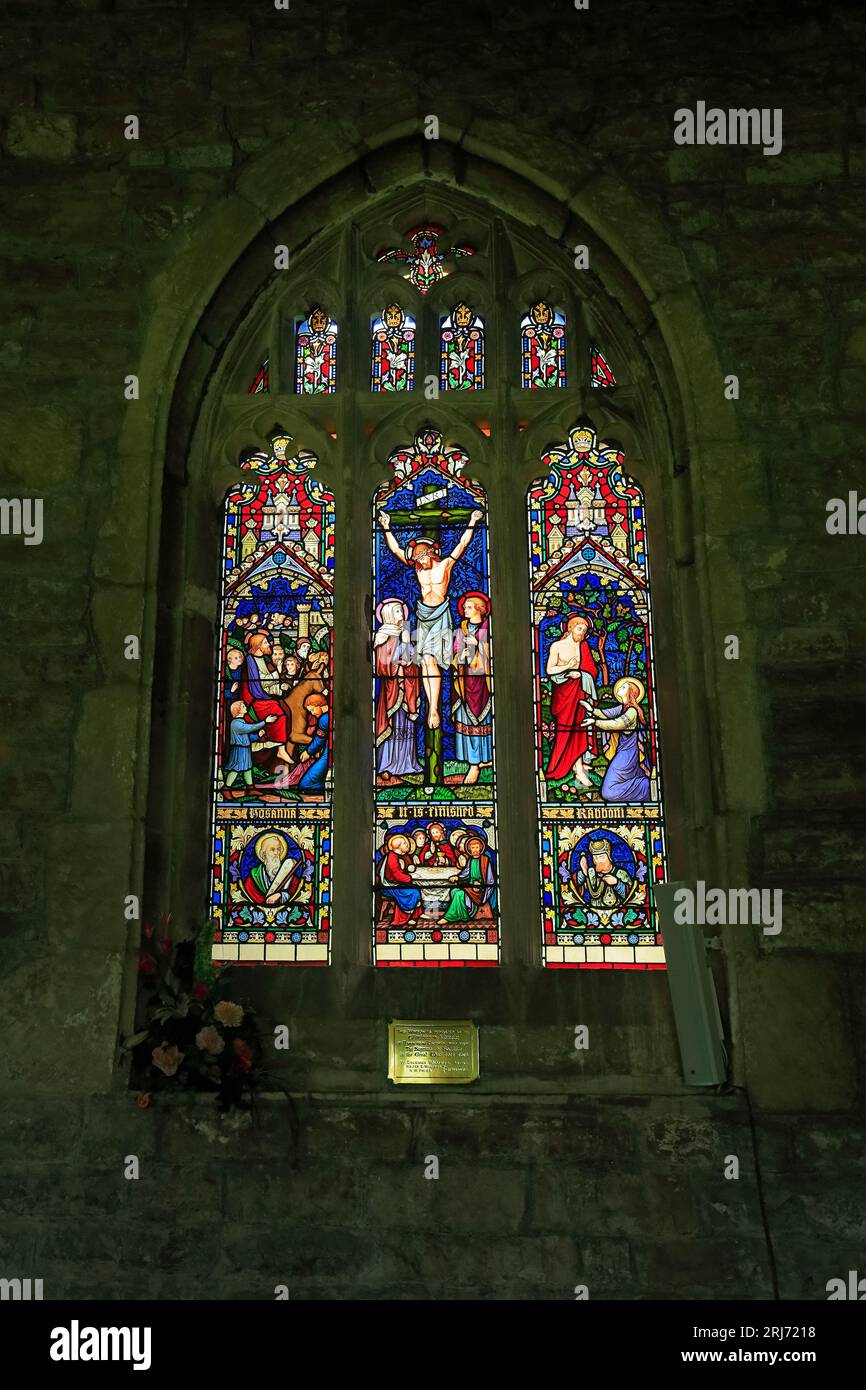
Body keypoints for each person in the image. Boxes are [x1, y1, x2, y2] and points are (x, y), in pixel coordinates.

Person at [378, 506, 483, 729]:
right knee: (426, 660)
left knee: (438, 660)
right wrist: (386, 526)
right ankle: (433, 708)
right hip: (423, 614)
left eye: (420, 556)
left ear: (430, 553)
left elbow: (462, 544)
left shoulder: (445, 565)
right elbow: (396, 550)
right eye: (415, 558)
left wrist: (473, 521)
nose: (418, 561)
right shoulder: (417, 569)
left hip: (441, 614)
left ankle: (436, 708)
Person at [544, 613, 598, 786]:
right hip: (563, 694)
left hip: (580, 691)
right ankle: (566, 765)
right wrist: (567, 667)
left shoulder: (584, 647)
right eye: (579, 628)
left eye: (584, 630)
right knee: (566, 730)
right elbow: (550, 670)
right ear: (570, 627)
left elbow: (592, 671)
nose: (582, 633)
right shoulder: (557, 646)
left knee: (580, 728)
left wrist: (580, 674)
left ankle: (579, 767)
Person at [374, 598, 421, 783]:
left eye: (402, 612)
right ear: (388, 615)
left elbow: (413, 661)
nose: (401, 615)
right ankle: (385, 765)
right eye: (397, 612)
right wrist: (396, 664)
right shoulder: (382, 635)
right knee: (390, 725)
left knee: (406, 727)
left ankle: (406, 763)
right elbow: (380, 665)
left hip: (407, 688)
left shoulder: (406, 633)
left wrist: (408, 645)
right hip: (391, 689)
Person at [452, 591, 493, 785]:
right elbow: (455, 652)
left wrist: (479, 645)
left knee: (484, 719)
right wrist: (462, 653)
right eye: (465, 606)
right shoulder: (461, 629)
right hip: (465, 679)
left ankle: (486, 759)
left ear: (479, 608)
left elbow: (493, 653)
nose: (464, 609)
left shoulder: (488, 627)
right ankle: (473, 763)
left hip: (483, 681)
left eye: (468, 606)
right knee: (465, 718)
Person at [591, 677, 652, 802]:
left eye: (624, 687)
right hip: (624, 753)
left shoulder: (632, 712)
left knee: (608, 792)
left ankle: (648, 786)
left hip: (627, 756)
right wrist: (591, 709)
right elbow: (606, 713)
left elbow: (617, 723)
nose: (619, 687)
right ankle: (644, 784)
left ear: (630, 693)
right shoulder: (622, 708)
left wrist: (595, 722)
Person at [441, 832, 496, 922]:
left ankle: (450, 918)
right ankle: (462, 914)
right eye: (472, 847)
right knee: (454, 891)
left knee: (459, 894)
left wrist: (481, 885)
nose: (474, 850)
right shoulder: (470, 860)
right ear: (469, 849)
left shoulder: (485, 860)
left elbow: (490, 880)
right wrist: (457, 877)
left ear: (481, 848)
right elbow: (465, 874)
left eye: (477, 847)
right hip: (470, 887)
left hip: (480, 890)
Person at [224, 702, 277, 794]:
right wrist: (265, 721)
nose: (246, 707)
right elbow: (250, 728)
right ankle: (226, 789)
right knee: (236, 769)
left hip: (245, 748)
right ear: (238, 710)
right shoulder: (236, 723)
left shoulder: (241, 721)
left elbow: (247, 737)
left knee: (248, 768)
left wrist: (258, 736)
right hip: (239, 750)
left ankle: (250, 789)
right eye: (243, 706)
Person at [242, 832, 303, 905]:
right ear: (263, 853)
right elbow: (253, 898)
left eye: (279, 849)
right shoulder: (253, 877)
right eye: (272, 849)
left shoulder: (290, 874)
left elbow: (295, 893)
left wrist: (281, 895)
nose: (276, 853)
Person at [573, 837, 634, 908]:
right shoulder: (591, 873)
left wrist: (617, 883)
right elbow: (574, 887)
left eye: (601, 857)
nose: (597, 861)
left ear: (609, 857)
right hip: (592, 914)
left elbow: (631, 895)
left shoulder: (621, 873)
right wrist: (584, 871)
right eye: (595, 857)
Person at [377, 831, 422, 926]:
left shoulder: (398, 856)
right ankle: (403, 918)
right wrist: (410, 878)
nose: (408, 845)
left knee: (416, 889)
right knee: (413, 892)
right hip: (390, 887)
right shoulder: (392, 858)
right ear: (398, 846)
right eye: (405, 843)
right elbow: (397, 875)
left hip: (397, 884)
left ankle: (415, 915)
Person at [296, 693, 329, 796]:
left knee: (306, 785)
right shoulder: (328, 716)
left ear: (319, 705)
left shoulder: (324, 719)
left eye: (312, 710)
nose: (312, 713)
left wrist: (308, 752)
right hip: (329, 751)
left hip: (330, 754)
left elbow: (319, 740)